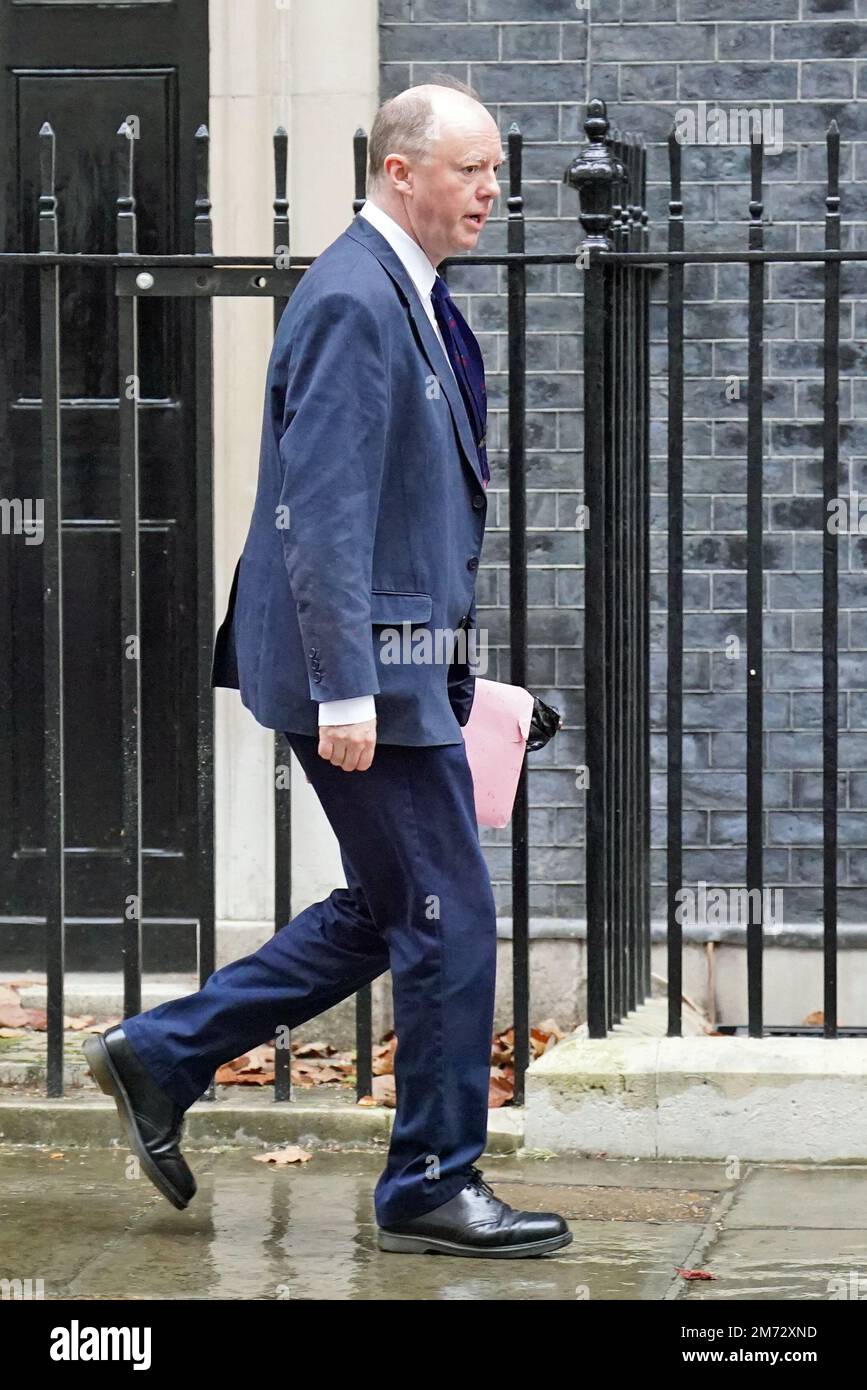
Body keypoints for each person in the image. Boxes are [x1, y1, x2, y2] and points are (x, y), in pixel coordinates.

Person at [84, 77, 572, 1260]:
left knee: (391, 907)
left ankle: (161, 1053)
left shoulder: (405, 292)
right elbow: (324, 510)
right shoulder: (359, 297)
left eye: (496, 169)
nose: (492, 190)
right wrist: (351, 684)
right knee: (452, 917)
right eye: (472, 169)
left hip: (399, 663)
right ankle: (429, 1183)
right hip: (361, 677)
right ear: (400, 170)